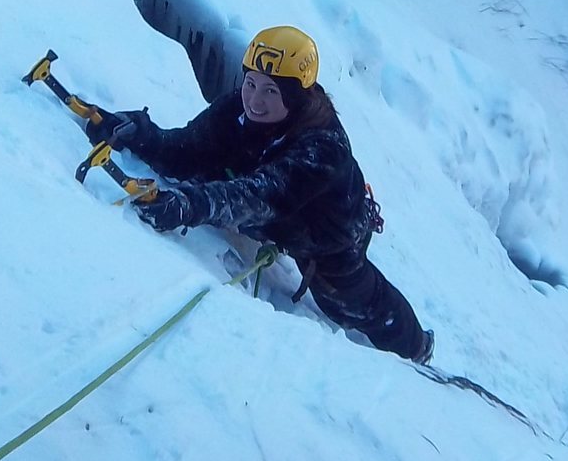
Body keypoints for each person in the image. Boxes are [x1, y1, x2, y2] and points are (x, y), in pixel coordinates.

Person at [88, 25, 434, 363]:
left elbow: (260, 197)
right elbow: (185, 150)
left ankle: (416, 346)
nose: (254, 100)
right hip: (272, 209)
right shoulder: (236, 110)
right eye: (251, 83)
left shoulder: (323, 147)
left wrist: (191, 205)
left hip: (327, 235)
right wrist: (138, 134)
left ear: (296, 96)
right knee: (208, 169)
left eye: (270, 91)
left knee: (350, 302)